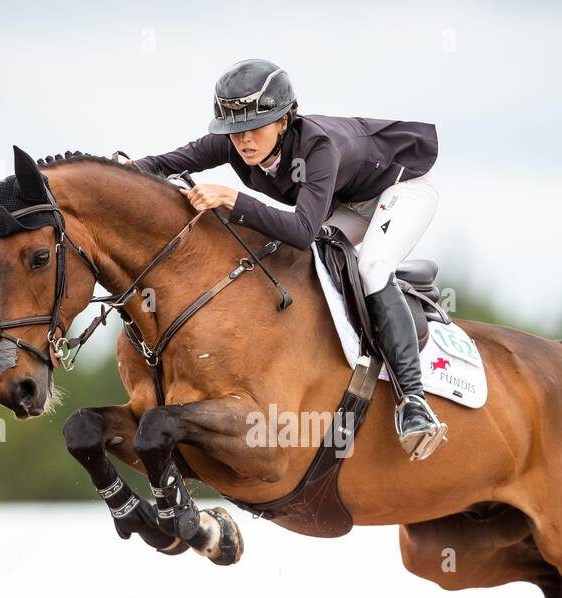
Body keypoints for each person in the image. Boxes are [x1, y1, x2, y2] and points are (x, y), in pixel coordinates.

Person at [122, 59, 447, 460]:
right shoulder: (234, 143)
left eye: (255, 128)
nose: (243, 141)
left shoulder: (318, 148)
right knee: (304, 264)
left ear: (283, 121)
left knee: (372, 267)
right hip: (345, 200)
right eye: (234, 131)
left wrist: (232, 200)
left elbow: (301, 230)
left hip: (402, 190)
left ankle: (413, 401)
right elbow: (163, 164)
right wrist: (114, 176)